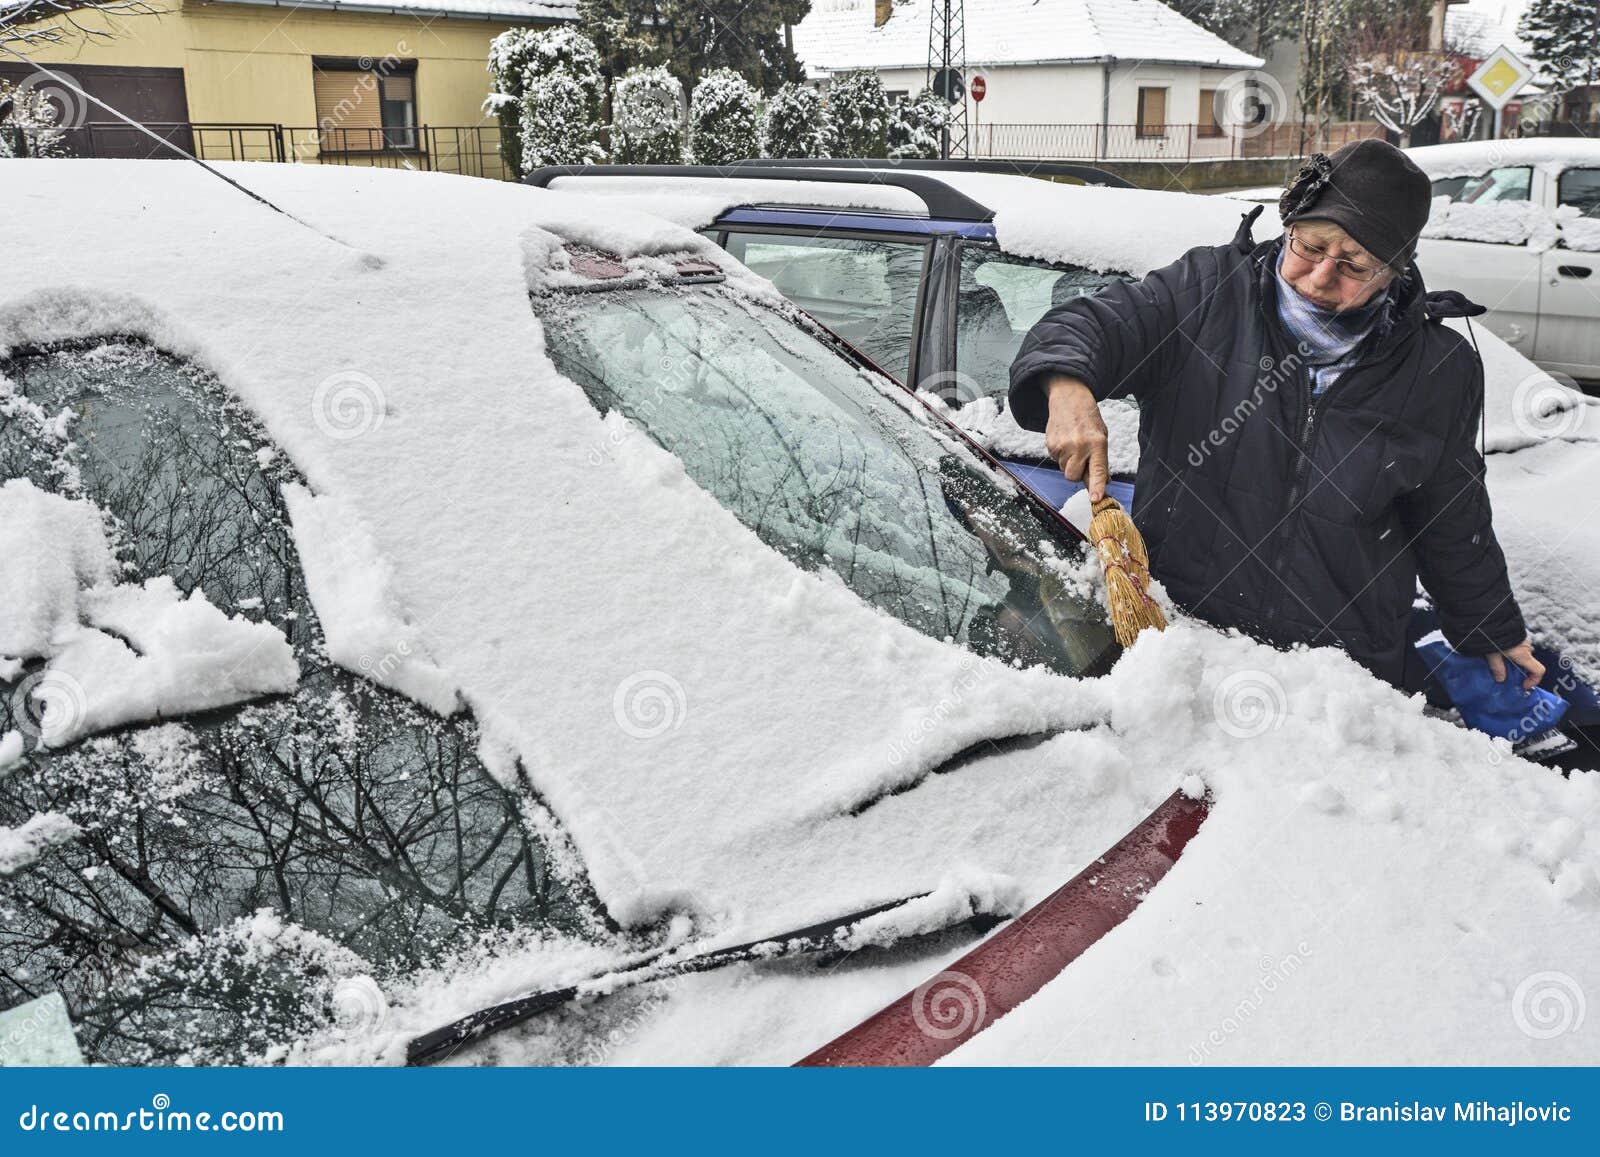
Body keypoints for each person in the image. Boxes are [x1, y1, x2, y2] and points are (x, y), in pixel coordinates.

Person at [1008, 138, 1544, 691]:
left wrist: (1489, 626)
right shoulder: (1205, 293)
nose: (1318, 277)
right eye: (1310, 246)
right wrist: (1067, 385)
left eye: (1353, 266)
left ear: (1394, 273)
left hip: (1339, 678)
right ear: (1290, 226)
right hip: (1190, 648)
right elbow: (1087, 326)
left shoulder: (1439, 368)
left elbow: (1451, 514)